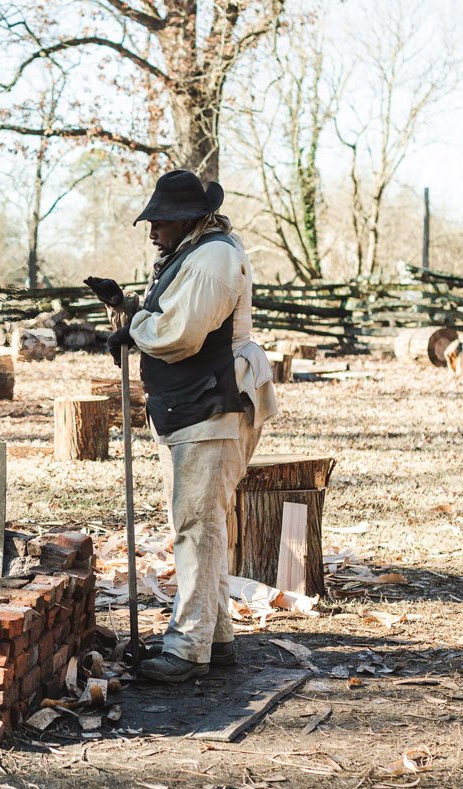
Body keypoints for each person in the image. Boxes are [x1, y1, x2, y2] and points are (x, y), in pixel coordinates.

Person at [100, 170, 278, 683]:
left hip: (212, 404)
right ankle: (214, 636)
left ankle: (187, 649)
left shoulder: (213, 258)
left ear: (189, 220)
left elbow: (180, 334)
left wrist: (133, 324)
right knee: (204, 526)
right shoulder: (194, 253)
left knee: (196, 526)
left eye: (161, 220)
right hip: (193, 405)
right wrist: (129, 309)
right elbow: (173, 316)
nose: (152, 228)